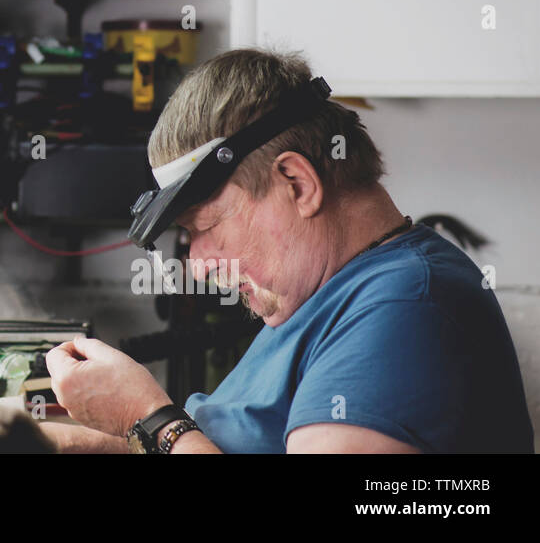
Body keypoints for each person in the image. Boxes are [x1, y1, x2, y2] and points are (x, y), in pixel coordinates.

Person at [43, 48, 533, 453]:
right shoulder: (316, 294)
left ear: (296, 183)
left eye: (208, 225)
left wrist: (151, 418)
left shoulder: (405, 308)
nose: (197, 261)